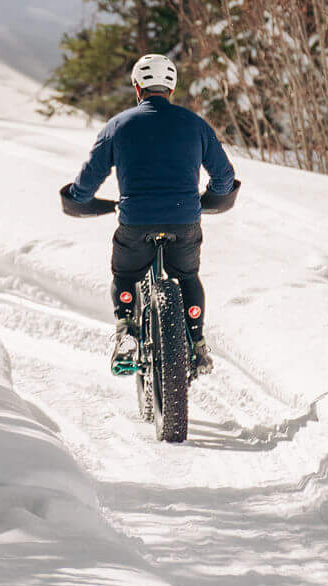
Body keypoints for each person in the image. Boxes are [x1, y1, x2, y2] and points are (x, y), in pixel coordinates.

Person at [61, 53, 238, 375]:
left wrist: (78, 198)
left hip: (136, 220)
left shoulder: (118, 125)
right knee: (186, 276)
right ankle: (197, 345)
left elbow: (88, 180)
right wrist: (212, 197)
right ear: (171, 89)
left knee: (125, 275)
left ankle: (127, 328)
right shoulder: (195, 124)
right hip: (184, 219)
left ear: (137, 87)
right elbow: (224, 176)